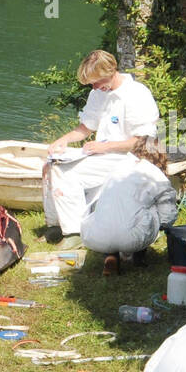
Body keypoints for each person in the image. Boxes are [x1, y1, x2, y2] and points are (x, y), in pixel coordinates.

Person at [42, 49, 161, 250]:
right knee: (50, 163)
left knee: (64, 171)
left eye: (96, 82)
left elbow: (143, 140)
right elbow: (86, 127)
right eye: (91, 84)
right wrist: (62, 141)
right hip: (103, 154)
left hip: (130, 157)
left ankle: (74, 233)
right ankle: (55, 224)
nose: (94, 87)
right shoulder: (98, 93)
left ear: (111, 72)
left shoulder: (136, 94)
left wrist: (104, 146)